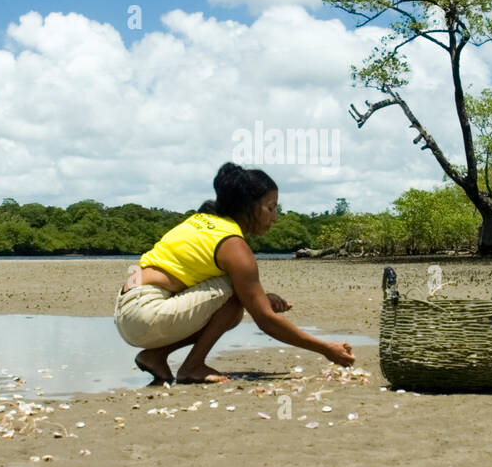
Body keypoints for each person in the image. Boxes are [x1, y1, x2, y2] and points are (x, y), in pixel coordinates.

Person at [115, 162, 355, 384]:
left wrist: (259, 297)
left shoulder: (203, 218)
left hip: (127, 308)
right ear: (249, 206)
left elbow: (188, 278)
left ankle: (156, 356)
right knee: (236, 294)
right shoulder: (234, 246)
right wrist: (326, 349)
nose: (275, 217)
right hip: (146, 313)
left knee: (238, 296)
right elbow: (266, 321)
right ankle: (193, 366)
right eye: (270, 208)